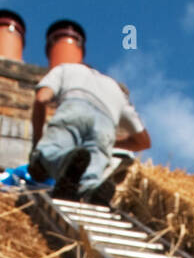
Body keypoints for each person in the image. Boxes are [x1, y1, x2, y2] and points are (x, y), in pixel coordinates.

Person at [28, 62, 151, 202]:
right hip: (106, 126)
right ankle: (93, 190)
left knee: (52, 151)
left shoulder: (67, 69)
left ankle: (64, 161)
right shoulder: (115, 89)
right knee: (90, 177)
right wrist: (111, 143)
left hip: (73, 109)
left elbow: (41, 98)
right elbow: (143, 142)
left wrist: (37, 147)